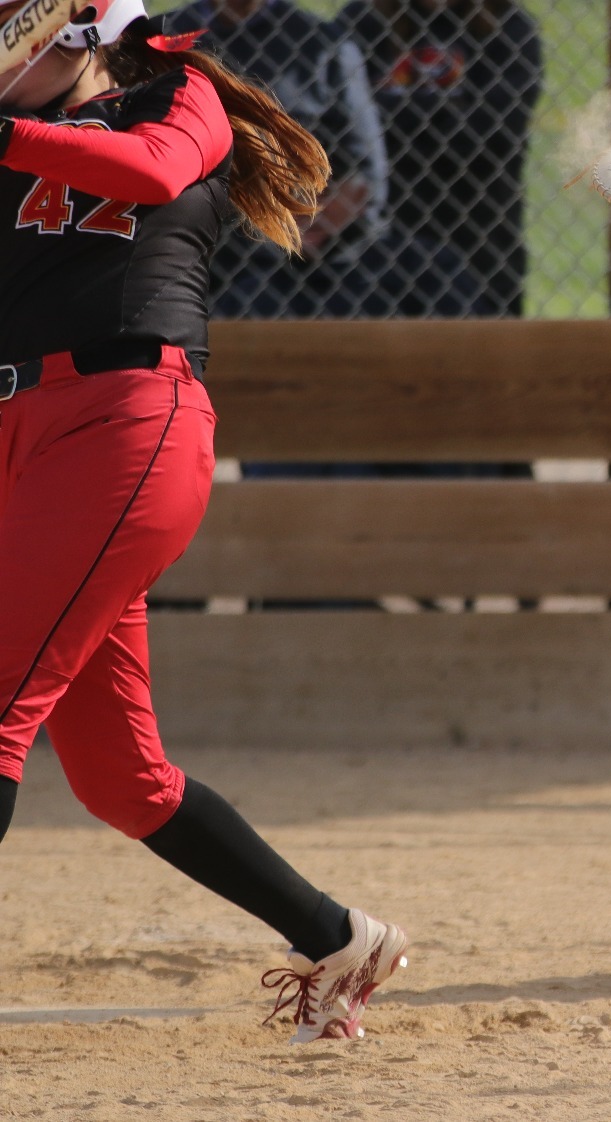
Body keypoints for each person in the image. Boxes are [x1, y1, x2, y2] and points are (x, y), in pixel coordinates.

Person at [0, 0, 406, 1038]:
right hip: (21, 439)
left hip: (125, 424)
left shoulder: (177, 96)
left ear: (80, 31)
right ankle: (334, 933)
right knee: (120, 778)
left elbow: (145, 173)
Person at [164, 0, 494, 317]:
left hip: (302, 249)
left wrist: (315, 219)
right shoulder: (163, 40)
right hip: (199, 232)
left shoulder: (322, 44)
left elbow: (365, 170)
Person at [340, 0, 541, 315]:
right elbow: (348, 131)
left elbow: (489, 136)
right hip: (382, 243)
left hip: (480, 242)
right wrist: (447, 117)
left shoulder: (508, 27)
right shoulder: (363, 21)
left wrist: (396, 121)